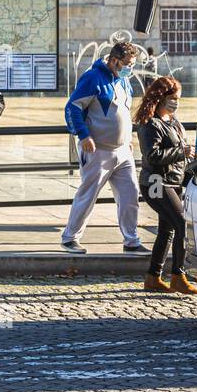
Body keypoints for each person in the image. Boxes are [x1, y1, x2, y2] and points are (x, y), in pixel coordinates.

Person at [60, 41, 148, 254]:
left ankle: (131, 239)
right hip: (97, 149)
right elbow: (73, 107)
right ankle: (70, 237)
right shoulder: (93, 77)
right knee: (88, 194)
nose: (130, 67)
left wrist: (127, 137)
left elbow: (123, 111)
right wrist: (83, 135)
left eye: (133, 64)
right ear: (115, 60)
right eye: (127, 63)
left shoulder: (124, 80)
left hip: (122, 150)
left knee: (130, 194)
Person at [135, 77, 197, 294]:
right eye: (172, 98)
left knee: (167, 229)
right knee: (182, 224)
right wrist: (182, 152)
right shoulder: (150, 123)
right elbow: (152, 155)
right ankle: (178, 275)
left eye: (178, 99)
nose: (176, 103)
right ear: (160, 97)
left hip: (171, 182)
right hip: (156, 183)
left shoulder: (172, 121)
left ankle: (153, 276)